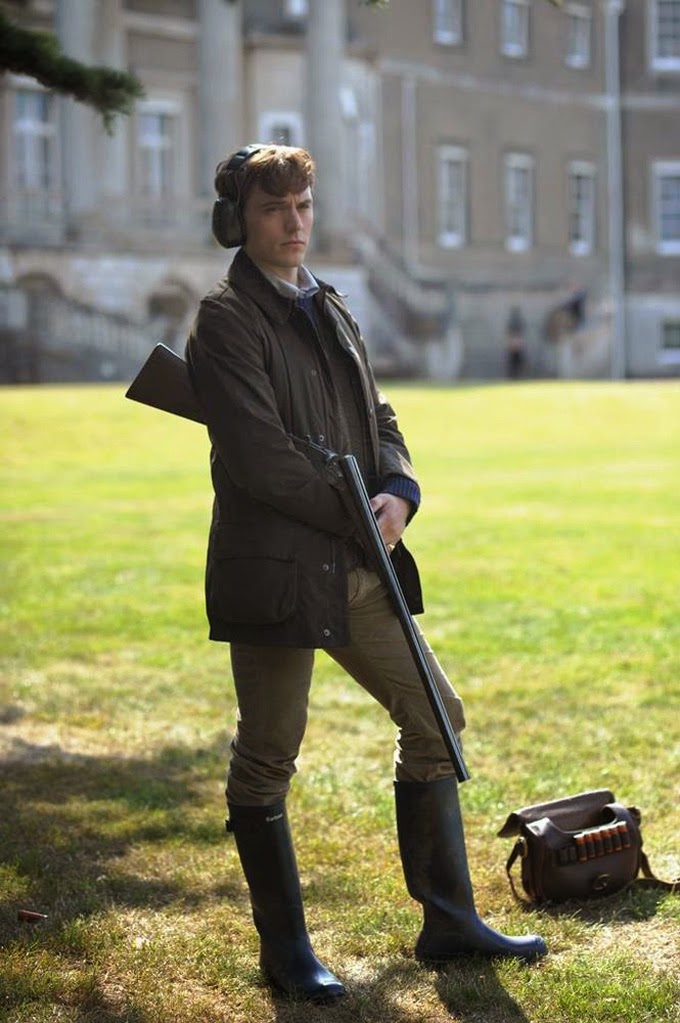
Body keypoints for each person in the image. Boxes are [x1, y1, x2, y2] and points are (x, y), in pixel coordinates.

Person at [185, 144, 546, 1004]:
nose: (295, 223)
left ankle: (448, 918)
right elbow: (262, 461)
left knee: (436, 716)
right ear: (242, 219)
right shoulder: (225, 318)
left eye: (304, 206)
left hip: (352, 555)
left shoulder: (329, 303)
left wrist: (398, 490)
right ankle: (287, 951)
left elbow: (378, 412)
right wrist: (359, 508)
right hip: (274, 569)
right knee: (269, 753)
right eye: (276, 209)